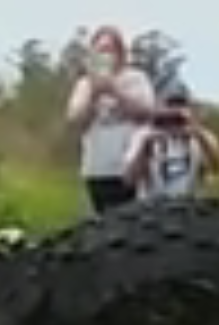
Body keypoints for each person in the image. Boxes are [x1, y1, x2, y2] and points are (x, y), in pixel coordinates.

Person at [65, 25, 157, 214]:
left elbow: (147, 111)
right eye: (100, 51)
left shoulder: (136, 79)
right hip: (96, 167)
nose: (105, 56)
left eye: (109, 50)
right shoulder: (85, 84)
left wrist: (114, 90)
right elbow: (74, 118)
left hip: (129, 166)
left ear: (121, 52)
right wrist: (94, 93)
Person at [122, 83, 219, 200]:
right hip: (153, 206)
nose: (174, 112)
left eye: (180, 105)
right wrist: (145, 148)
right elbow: (129, 179)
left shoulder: (201, 135)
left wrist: (198, 135)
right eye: (170, 106)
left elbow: (217, 168)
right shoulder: (143, 135)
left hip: (189, 204)